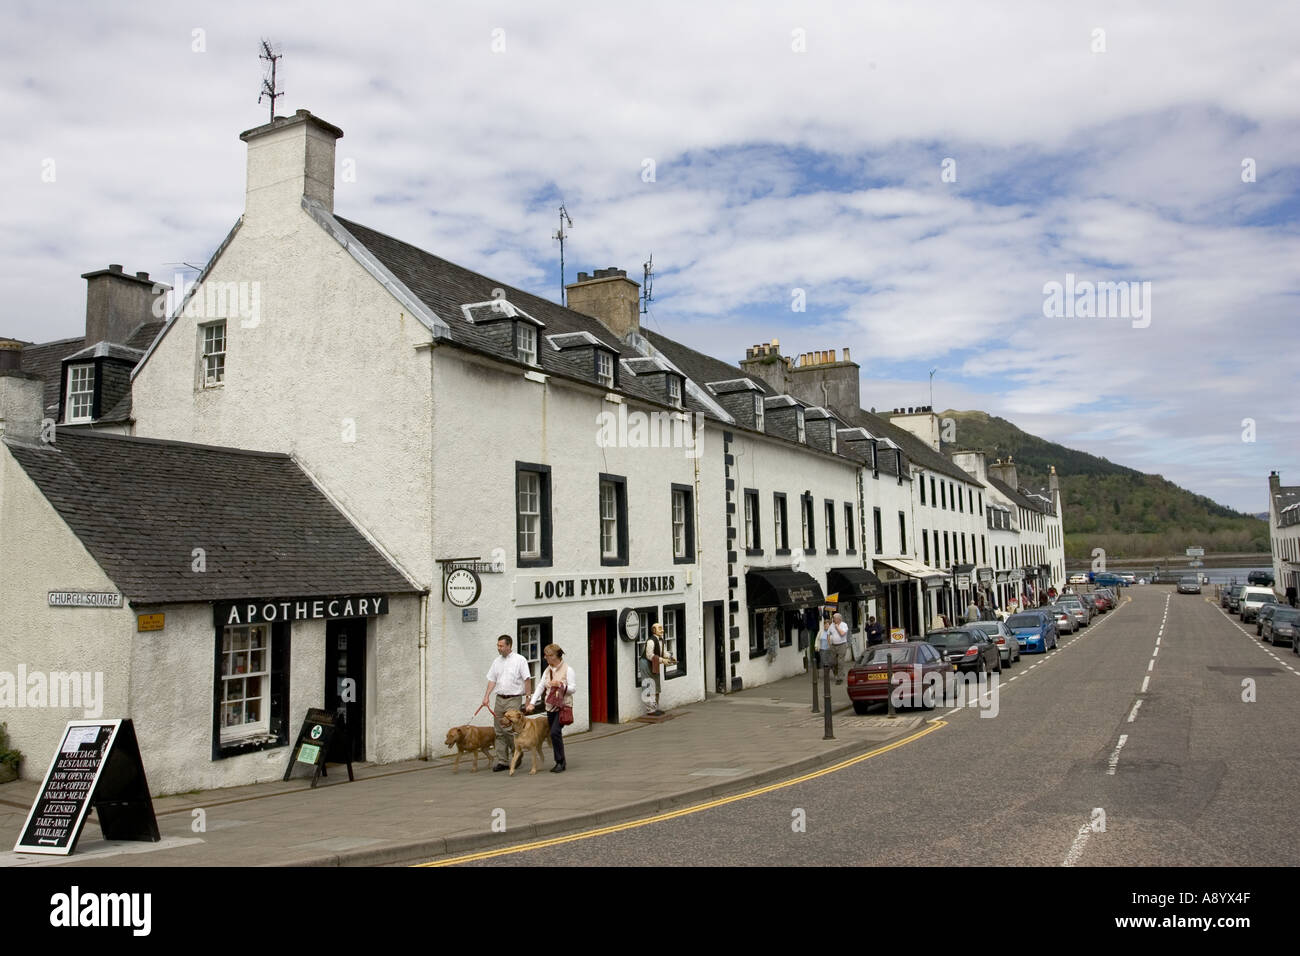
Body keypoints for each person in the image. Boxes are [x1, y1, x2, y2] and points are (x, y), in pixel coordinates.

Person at [482, 634, 533, 772]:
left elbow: (527, 679)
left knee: (510, 730)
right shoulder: (496, 662)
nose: (499, 648)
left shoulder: (520, 660)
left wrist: (528, 699)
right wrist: (486, 696)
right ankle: (502, 761)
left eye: (501, 646)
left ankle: (516, 754)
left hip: (513, 698)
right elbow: (492, 680)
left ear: (509, 646)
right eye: (498, 646)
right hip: (500, 699)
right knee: (499, 730)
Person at [526, 643, 575, 773]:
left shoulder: (568, 670)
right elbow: (541, 686)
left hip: (563, 707)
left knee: (554, 732)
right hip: (550, 707)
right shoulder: (547, 670)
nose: (545, 657)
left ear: (555, 656)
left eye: (548, 655)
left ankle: (560, 762)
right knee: (555, 734)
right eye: (545, 655)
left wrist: (560, 685)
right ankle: (561, 761)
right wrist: (532, 702)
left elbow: (573, 689)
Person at [643, 623, 675, 715]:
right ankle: (650, 710)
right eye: (659, 628)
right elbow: (649, 656)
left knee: (656, 685)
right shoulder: (651, 641)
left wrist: (670, 657)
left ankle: (655, 708)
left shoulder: (661, 640)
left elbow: (663, 652)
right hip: (646, 663)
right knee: (649, 685)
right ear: (653, 630)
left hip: (655, 663)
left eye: (662, 628)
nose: (662, 630)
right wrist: (662, 660)